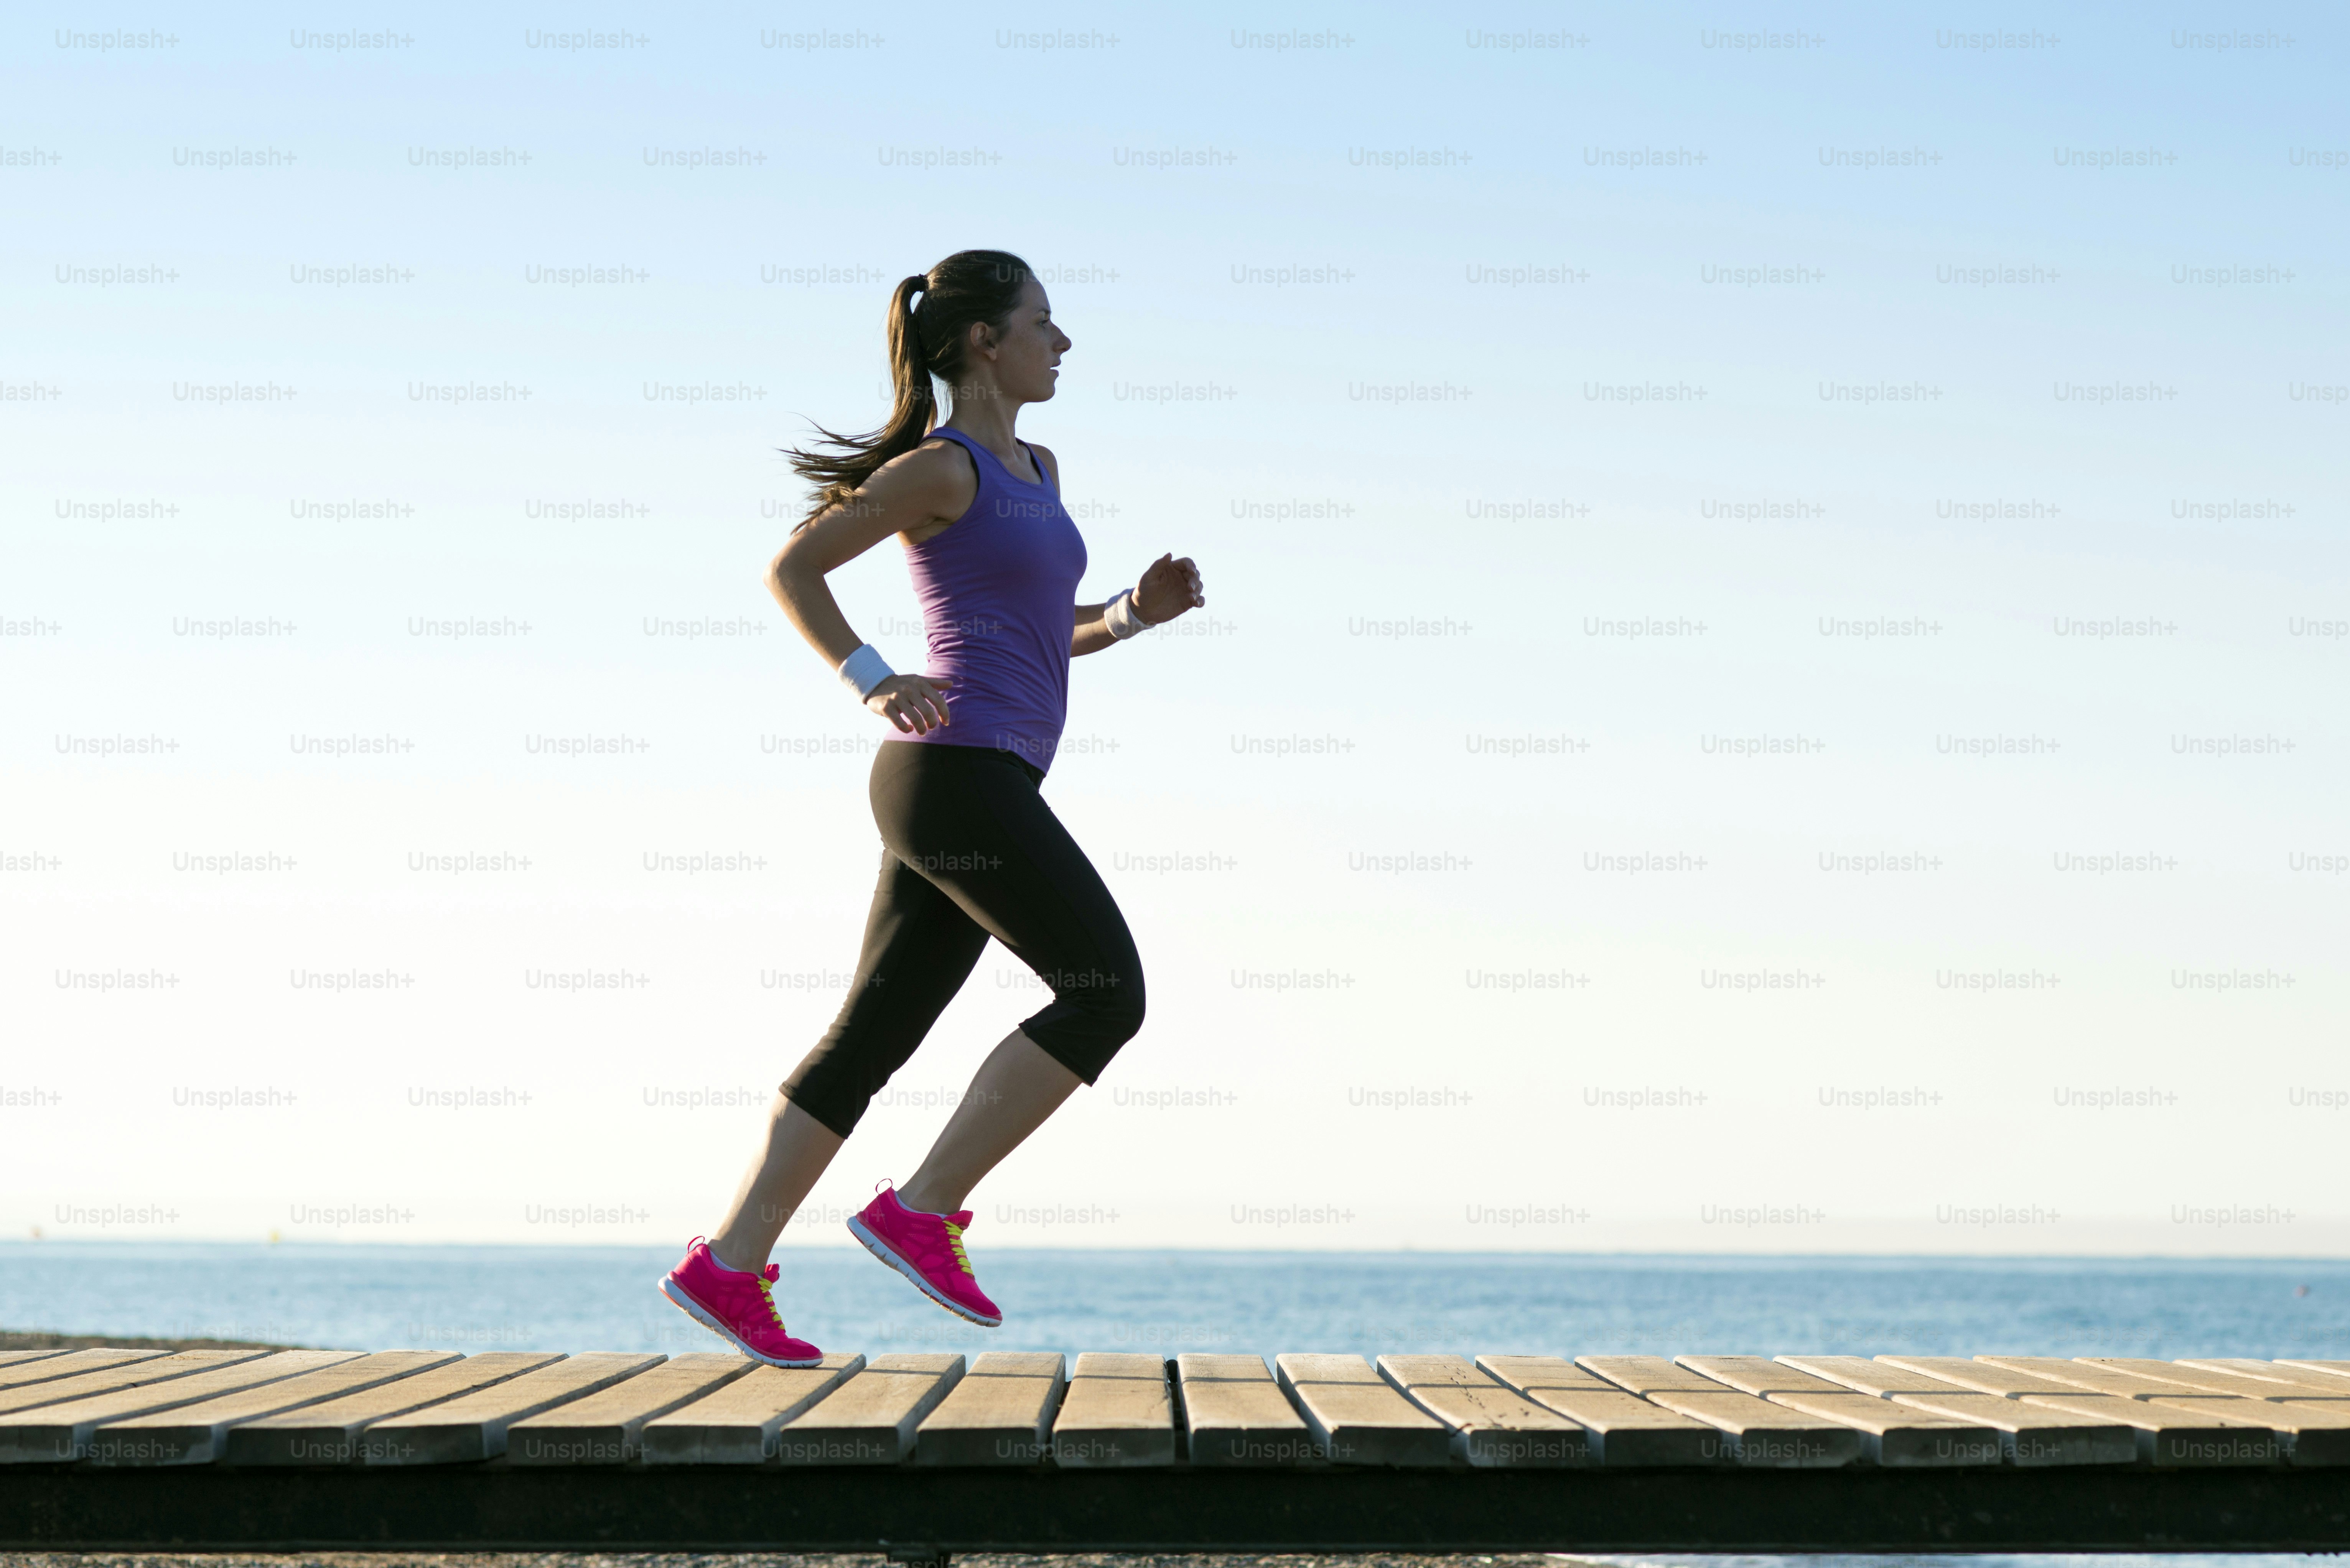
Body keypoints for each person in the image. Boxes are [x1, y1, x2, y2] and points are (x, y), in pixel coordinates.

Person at [658, 250, 1207, 1365]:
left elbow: (1046, 633)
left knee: (874, 1034)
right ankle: (924, 1208)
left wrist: (1133, 616)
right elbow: (796, 568)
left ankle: (727, 1264)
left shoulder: (1040, 470)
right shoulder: (939, 468)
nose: (1064, 342)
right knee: (1106, 990)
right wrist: (871, 676)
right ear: (982, 343)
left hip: (981, 779)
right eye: (1045, 322)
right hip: (949, 773)